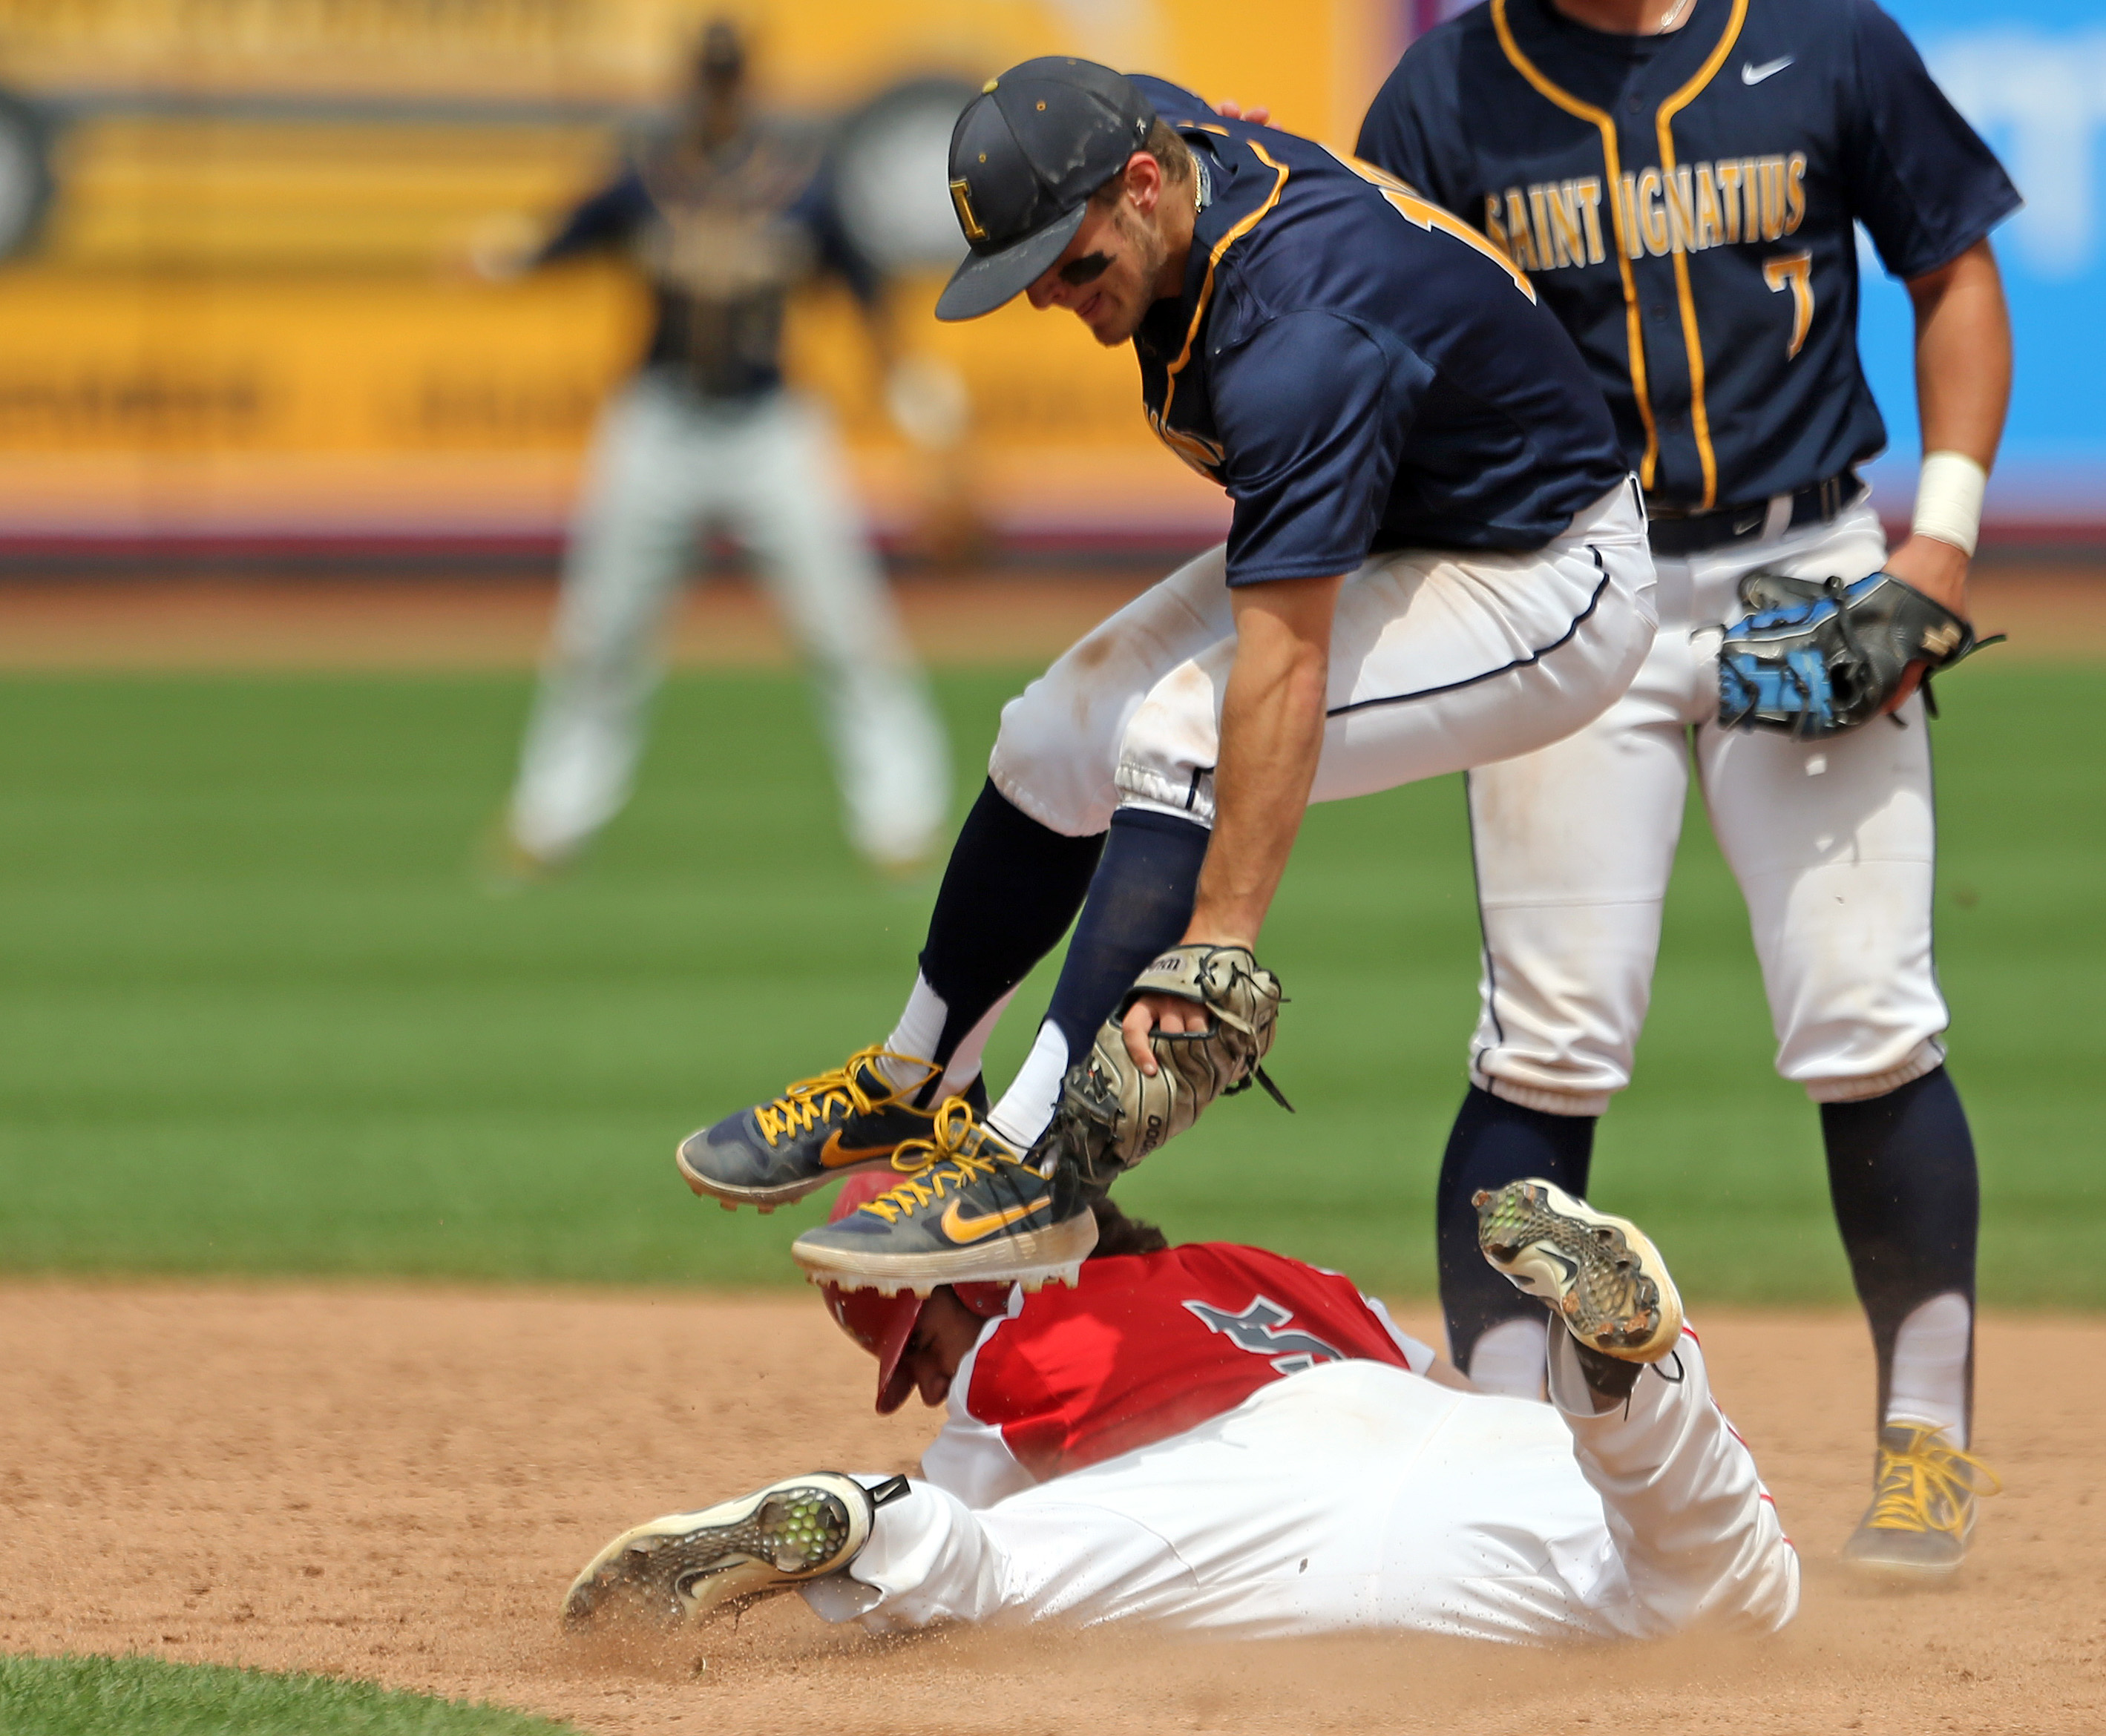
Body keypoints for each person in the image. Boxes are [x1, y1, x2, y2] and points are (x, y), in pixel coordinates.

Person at [676, 57, 1656, 1292]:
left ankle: (1034, 1162)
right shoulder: (1145, 147)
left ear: (1144, 187)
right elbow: (1141, 93)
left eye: (1069, 261)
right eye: (1027, 274)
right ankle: (917, 1080)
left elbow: (1282, 669)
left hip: (1545, 572)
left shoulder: (1294, 339)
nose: (1054, 295)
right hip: (1408, 513)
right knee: (1053, 730)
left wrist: (1217, 941)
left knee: (1182, 733)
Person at [1351, 0, 2015, 1575]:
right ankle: (1501, 1463)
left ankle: (1925, 1441)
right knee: (1547, 1038)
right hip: (1571, 575)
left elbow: (1952, 270)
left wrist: (1941, 539)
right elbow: (1360, 345)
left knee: (1867, 1015)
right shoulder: (1446, 95)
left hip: (1806, 566)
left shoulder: (1823, 42)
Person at [563, 1177, 1797, 1643]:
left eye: (922, 1345)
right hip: (1451, 1428)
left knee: (984, 1569)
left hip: (1219, 1502)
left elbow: (984, 1545)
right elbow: (1447, 1399)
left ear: (980, 1284)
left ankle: (860, 1518)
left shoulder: (1018, 1345)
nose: (929, 1381)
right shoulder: (1276, 1271)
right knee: (1710, 1580)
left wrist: (907, 1528)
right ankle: (1623, 1385)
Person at [489, 20, 951, 878]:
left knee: (847, 628)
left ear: (747, 86)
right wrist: (514, 255)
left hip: (769, 427)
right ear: (693, 85)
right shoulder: (647, 175)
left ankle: (901, 818)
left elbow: (864, 292)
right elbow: (573, 232)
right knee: (600, 631)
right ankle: (551, 817)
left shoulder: (800, 185)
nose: (718, 95)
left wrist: (913, 396)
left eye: (728, 80)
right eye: (709, 80)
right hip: (659, 421)